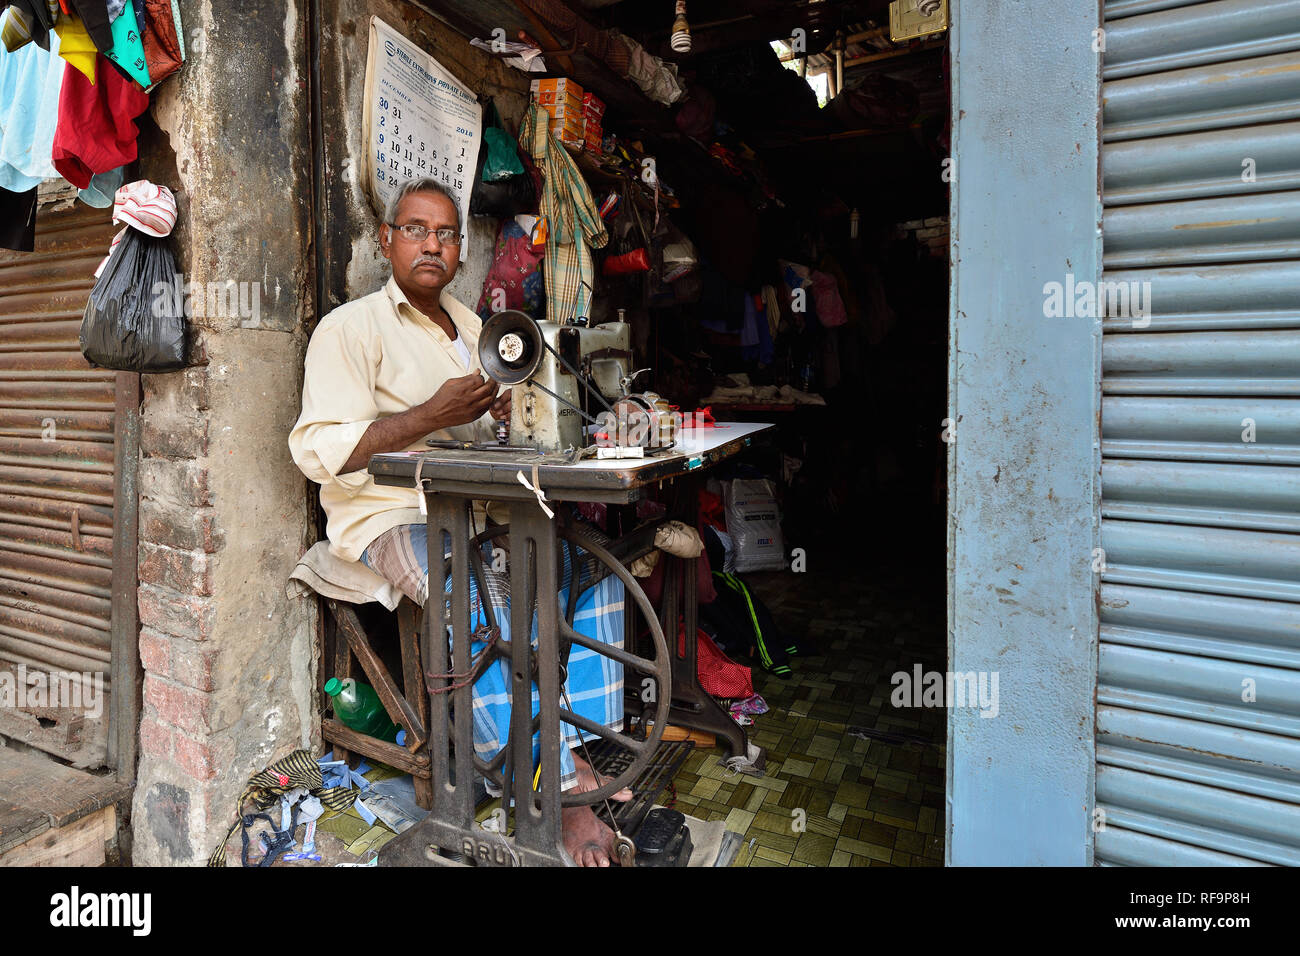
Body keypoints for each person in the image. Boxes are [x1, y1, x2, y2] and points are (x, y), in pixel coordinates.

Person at [289, 177, 630, 866]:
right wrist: (429, 416)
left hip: (477, 518)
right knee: (485, 607)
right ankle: (554, 791)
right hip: (389, 521)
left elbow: (491, 433)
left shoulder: (479, 330)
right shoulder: (349, 329)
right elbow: (315, 452)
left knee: (597, 572)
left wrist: (502, 420)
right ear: (387, 239)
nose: (432, 245)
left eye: (446, 234)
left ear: (461, 247)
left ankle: (579, 744)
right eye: (416, 229)